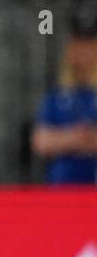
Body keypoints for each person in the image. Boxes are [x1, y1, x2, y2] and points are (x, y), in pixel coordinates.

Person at [32, 17, 97, 185]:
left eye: (89, 45)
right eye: (77, 45)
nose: (83, 52)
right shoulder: (58, 95)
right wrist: (75, 138)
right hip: (63, 188)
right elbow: (41, 141)